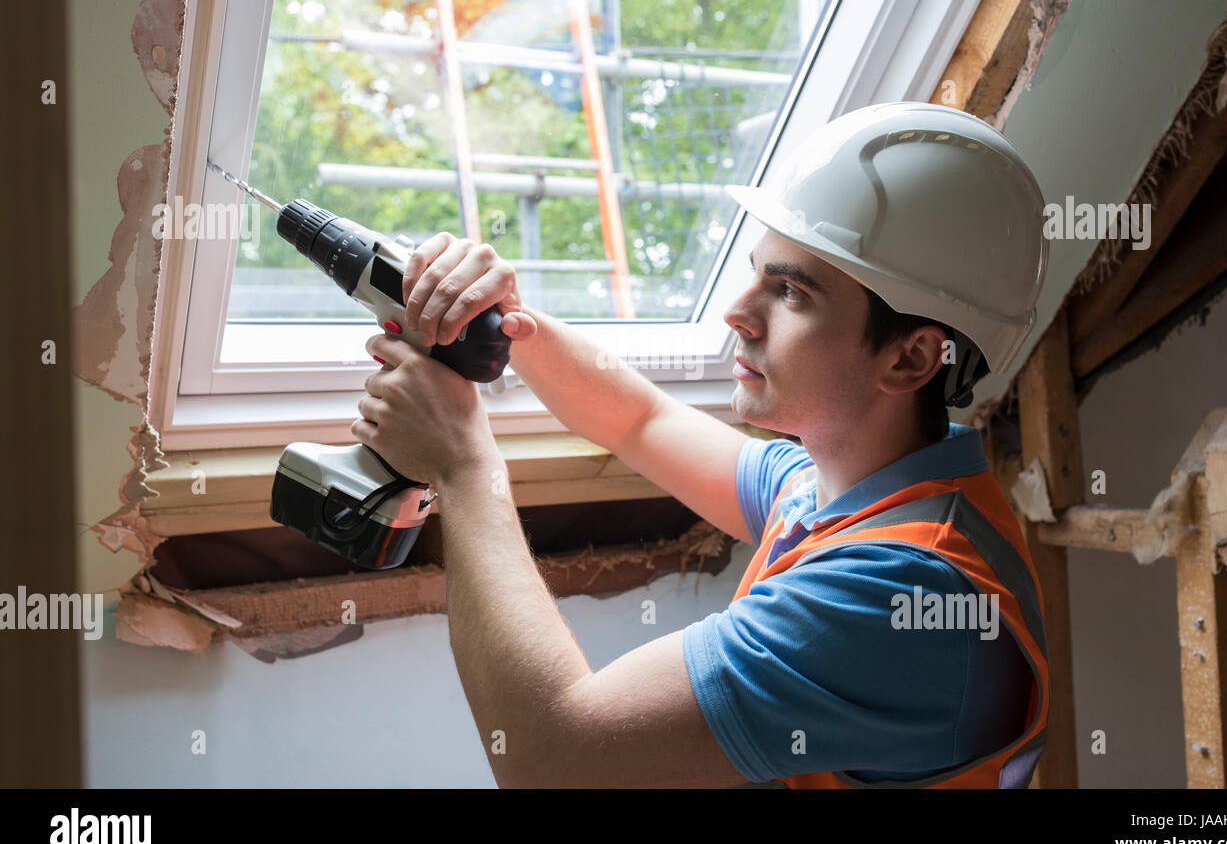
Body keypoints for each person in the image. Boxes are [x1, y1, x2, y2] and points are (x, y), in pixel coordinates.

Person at [353, 101, 1051, 788]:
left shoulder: (901, 590)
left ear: (910, 358)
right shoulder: (840, 486)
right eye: (757, 272)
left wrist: (464, 464)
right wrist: (500, 320)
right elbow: (640, 421)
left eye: (791, 293)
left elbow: (552, 760)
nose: (738, 312)